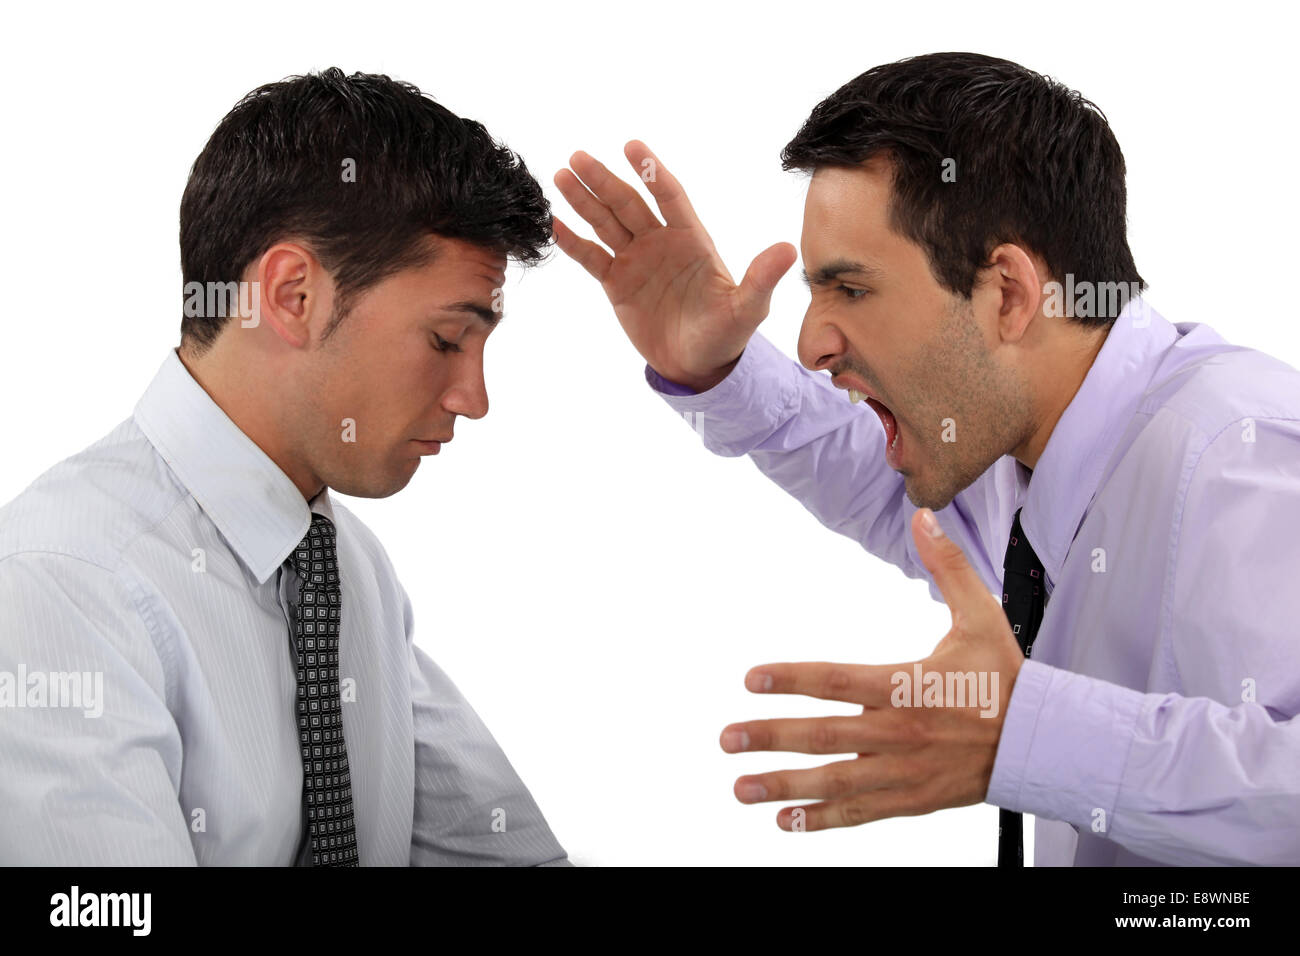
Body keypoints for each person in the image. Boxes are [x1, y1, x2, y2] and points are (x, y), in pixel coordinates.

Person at [552, 51, 1300, 866]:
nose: (810, 345)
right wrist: (719, 372)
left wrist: (1030, 737)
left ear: (1008, 294)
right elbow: (877, 479)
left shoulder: (1235, 456)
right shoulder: (1007, 445)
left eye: (852, 289)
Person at [0, 68, 569, 866]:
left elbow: (500, 852)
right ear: (293, 295)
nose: (474, 398)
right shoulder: (57, 582)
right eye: (446, 340)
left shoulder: (346, 567)